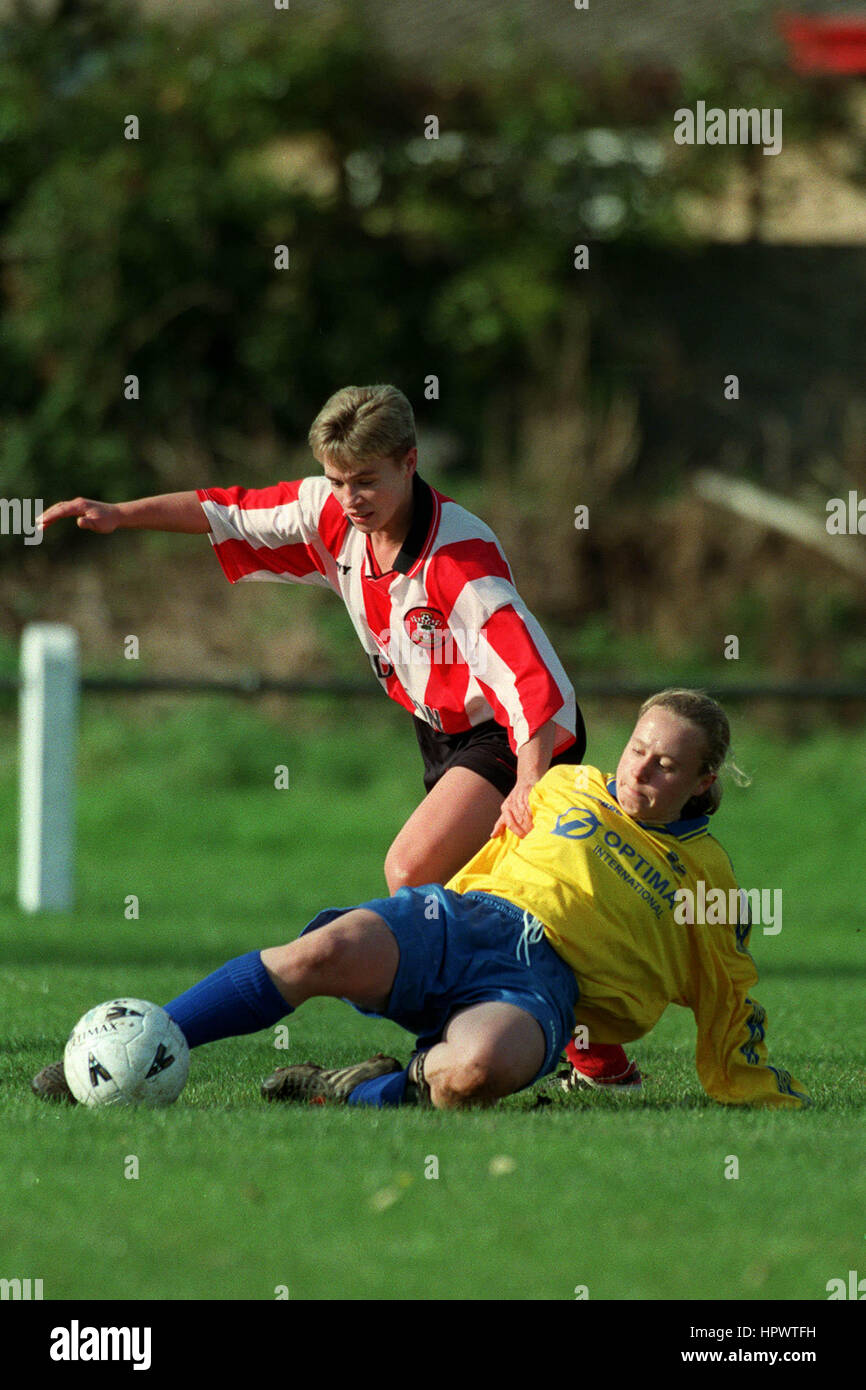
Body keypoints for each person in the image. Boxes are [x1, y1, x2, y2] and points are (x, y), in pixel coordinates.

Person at [37, 384, 636, 1092]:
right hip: (445, 735)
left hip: (521, 735)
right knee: (526, 908)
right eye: (337, 479)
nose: (350, 497)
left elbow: (530, 678)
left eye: (366, 481)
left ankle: (437, 1056)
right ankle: (590, 1063)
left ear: (410, 463)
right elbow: (225, 508)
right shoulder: (330, 511)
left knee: (413, 873)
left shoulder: (458, 562)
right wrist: (120, 514)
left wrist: (533, 777)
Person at [32, 690, 809, 1111]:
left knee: (467, 1079)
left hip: (540, 988)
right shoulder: (571, 784)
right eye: (638, 748)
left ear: (704, 781)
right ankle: (132, 1049)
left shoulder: (709, 879)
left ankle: (362, 1085)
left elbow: (728, 988)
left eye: (667, 765)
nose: (640, 771)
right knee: (319, 954)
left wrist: (752, 1081)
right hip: (470, 921)